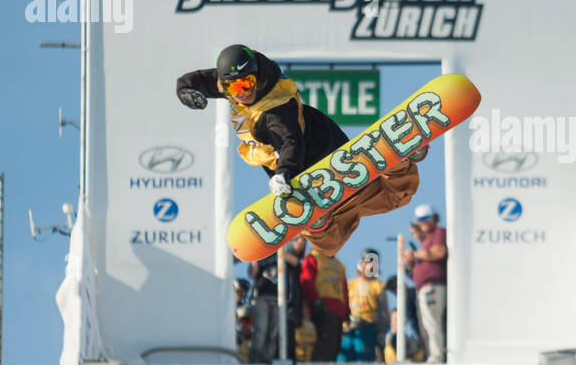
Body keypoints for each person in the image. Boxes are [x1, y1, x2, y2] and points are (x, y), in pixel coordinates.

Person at [176, 44, 423, 256]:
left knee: (395, 196)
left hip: (320, 155)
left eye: (247, 84)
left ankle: (399, 155)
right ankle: (320, 221)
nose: (242, 93)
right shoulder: (233, 83)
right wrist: (186, 90)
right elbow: (201, 79)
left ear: (257, 77)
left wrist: (284, 173)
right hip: (317, 176)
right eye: (233, 88)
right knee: (327, 246)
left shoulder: (274, 111)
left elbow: (289, 141)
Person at [404, 204, 448, 363]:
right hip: (424, 287)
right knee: (427, 324)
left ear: (432, 218)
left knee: (433, 321)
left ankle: (437, 355)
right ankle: (433, 354)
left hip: (433, 286)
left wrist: (416, 254)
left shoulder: (439, 233)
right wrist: (411, 264)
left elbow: (439, 252)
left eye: (423, 219)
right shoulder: (427, 240)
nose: (421, 223)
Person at [301, 242, 349, 363]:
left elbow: (344, 289)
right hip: (323, 308)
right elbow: (306, 281)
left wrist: (347, 310)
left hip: (339, 312)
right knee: (325, 344)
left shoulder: (340, 265)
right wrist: (315, 301)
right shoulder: (313, 257)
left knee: (335, 345)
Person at [341, 249, 389, 363]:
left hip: (367, 330)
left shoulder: (378, 287)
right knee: (342, 361)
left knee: (363, 362)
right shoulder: (349, 284)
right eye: (368, 261)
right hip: (347, 330)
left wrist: (380, 334)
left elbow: (384, 314)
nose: (371, 265)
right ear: (361, 263)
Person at [245, 252, 281, 364]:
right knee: (261, 330)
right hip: (262, 297)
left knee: (273, 333)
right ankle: (255, 361)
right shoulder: (260, 251)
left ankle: (268, 361)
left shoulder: (282, 252)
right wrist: (254, 260)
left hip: (278, 298)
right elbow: (252, 275)